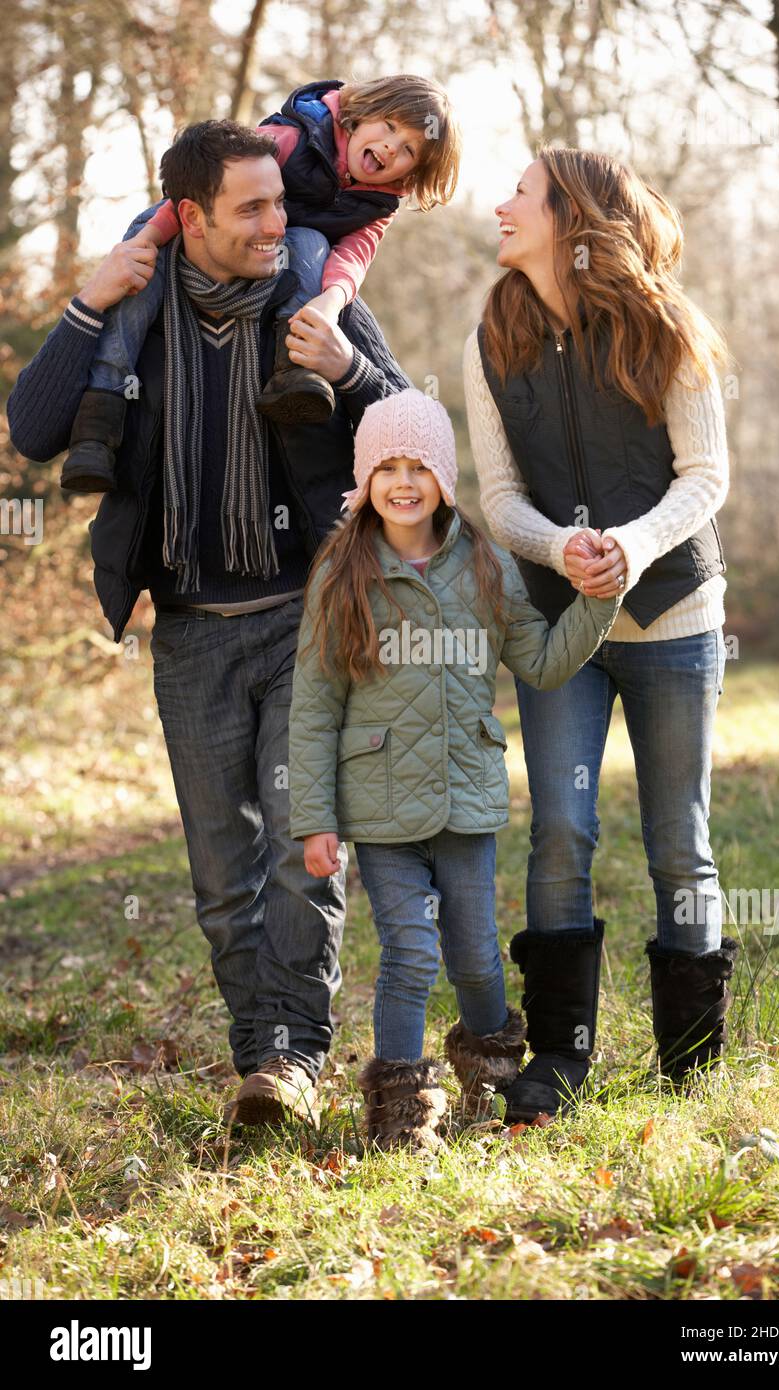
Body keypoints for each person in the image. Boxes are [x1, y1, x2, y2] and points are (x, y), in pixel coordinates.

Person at [8, 119, 413, 1127]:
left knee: (301, 844)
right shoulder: (134, 312)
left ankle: (293, 1061)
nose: (280, 224)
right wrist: (85, 300)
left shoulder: (311, 299)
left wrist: (352, 371)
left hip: (306, 621)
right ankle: (262, 1057)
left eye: (282, 201)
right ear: (188, 218)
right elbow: (30, 430)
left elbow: (413, 435)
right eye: (253, 209)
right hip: (187, 630)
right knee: (221, 872)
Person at [463, 147, 738, 1123]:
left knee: (678, 842)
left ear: (570, 219)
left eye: (519, 195)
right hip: (559, 629)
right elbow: (496, 498)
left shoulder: (664, 326)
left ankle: (690, 1060)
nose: (499, 206)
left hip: (671, 615)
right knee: (560, 832)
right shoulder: (491, 334)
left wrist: (624, 545)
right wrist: (563, 549)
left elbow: (702, 474)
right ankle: (559, 1059)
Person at [288, 388, 621, 1150]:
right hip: (378, 809)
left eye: (419, 467)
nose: (403, 483)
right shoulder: (341, 574)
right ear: (366, 479)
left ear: (444, 477)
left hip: (466, 801)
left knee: (474, 955)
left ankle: (492, 1071)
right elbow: (312, 704)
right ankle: (401, 1112)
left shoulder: (484, 565)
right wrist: (315, 818)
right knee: (410, 953)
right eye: (386, 468)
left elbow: (539, 662)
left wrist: (597, 602)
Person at [60, 75, 461, 494]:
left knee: (310, 241)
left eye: (410, 149)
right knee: (142, 273)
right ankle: (100, 410)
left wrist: (331, 303)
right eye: (391, 126)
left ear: (415, 170)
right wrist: (143, 245)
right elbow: (207, 187)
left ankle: (294, 372)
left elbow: (355, 256)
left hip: (281, 260)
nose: (391, 147)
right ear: (361, 114)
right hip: (190, 226)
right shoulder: (291, 137)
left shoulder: (379, 203)